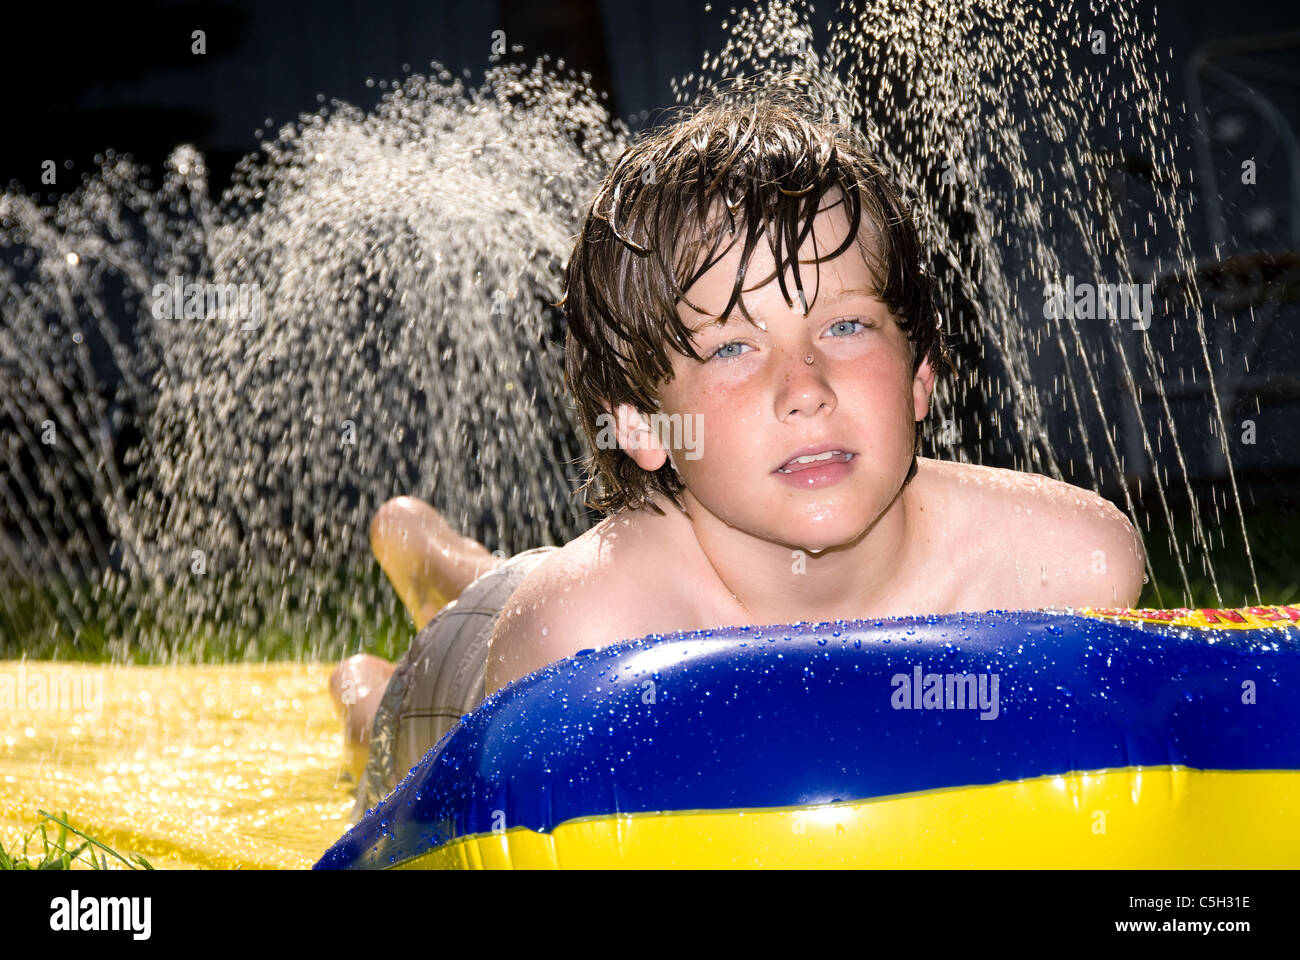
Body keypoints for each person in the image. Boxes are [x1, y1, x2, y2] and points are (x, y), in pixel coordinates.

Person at [330, 78, 1146, 819]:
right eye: (731, 348)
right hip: (471, 665)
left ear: (920, 374)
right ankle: (398, 627)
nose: (806, 387)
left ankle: (444, 557)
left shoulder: (1065, 569)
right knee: (392, 723)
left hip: (564, 582)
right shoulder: (584, 639)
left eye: (847, 326)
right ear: (643, 424)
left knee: (523, 575)